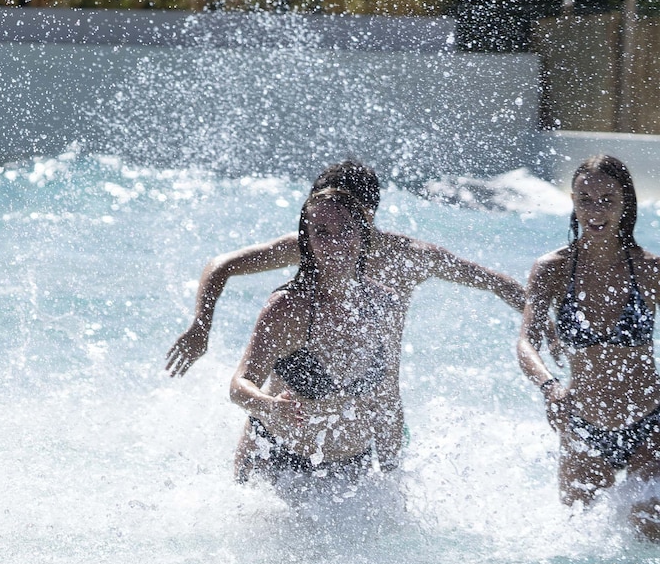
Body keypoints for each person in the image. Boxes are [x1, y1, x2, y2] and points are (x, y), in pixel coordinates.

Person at [166, 159, 526, 380]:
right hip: (295, 397)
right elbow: (220, 266)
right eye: (318, 218)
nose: (326, 230)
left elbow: (498, 284)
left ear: (367, 215)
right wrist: (200, 328)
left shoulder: (412, 256)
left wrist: (542, 325)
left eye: (340, 213)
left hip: (375, 403)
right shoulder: (305, 247)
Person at [516, 155, 660, 539]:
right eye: (585, 199)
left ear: (625, 203)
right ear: (573, 202)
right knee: (581, 544)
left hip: (650, 425)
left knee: (648, 538)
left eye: (606, 200)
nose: (594, 211)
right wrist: (549, 386)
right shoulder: (553, 268)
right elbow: (526, 343)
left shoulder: (650, 269)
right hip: (582, 425)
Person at [229, 187, 397, 489]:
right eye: (321, 232)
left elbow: (386, 398)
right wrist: (268, 406)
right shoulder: (287, 306)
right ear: (307, 242)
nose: (334, 242)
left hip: (353, 468)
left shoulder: (383, 302)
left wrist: (392, 471)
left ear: (362, 235)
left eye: (345, 229)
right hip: (278, 466)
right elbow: (239, 386)